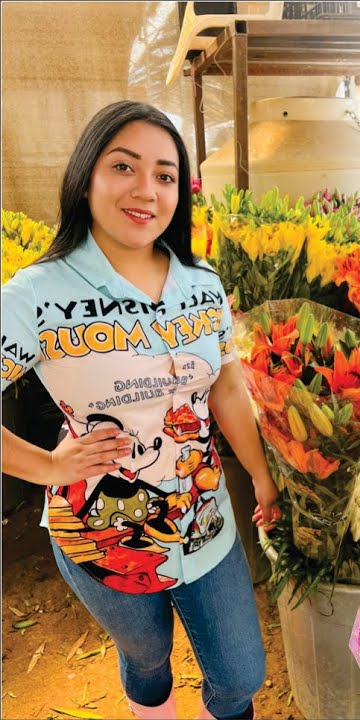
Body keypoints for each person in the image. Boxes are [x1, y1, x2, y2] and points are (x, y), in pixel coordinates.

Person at [0, 101, 279, 719]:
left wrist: (259, 473)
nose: (146, 191)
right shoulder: (38, 295)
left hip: (205, 517)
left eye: (165, 175)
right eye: (124, 167)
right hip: (101, 533)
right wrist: (47, 467)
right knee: (148, 657)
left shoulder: (202, 283)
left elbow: (227, 388)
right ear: (86, 176)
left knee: (240, 676)